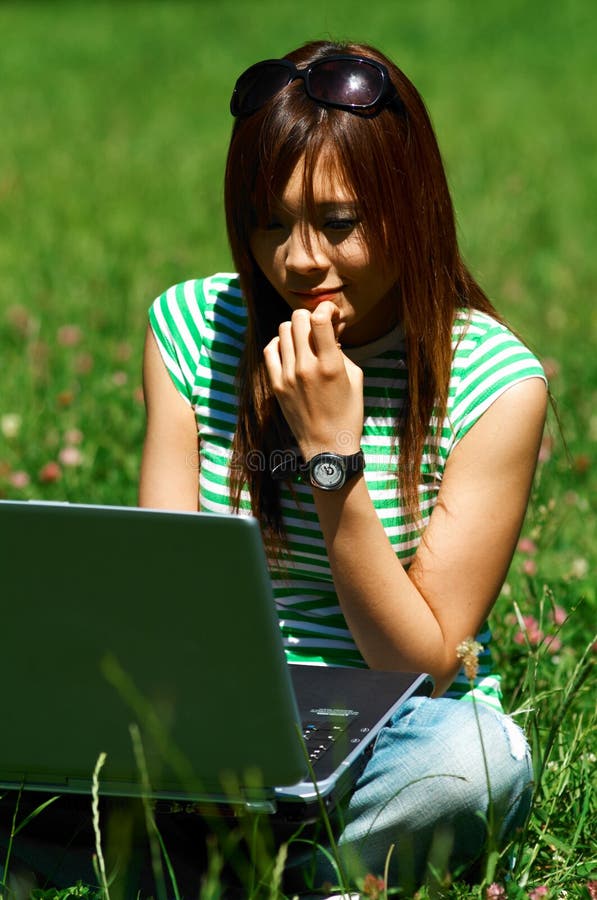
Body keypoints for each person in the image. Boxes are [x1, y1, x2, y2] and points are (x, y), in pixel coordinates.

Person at [139, 40, 548, 894]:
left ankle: (225, 874)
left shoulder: (494, 385)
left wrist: (332, 459)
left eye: (337, 224)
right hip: (209, 721)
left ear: (412, 209)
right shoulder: (188, 328)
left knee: (475, 761)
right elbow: (165, 599)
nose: (296, 261)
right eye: (268, 221)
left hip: (389, 726)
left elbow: (422, 664)